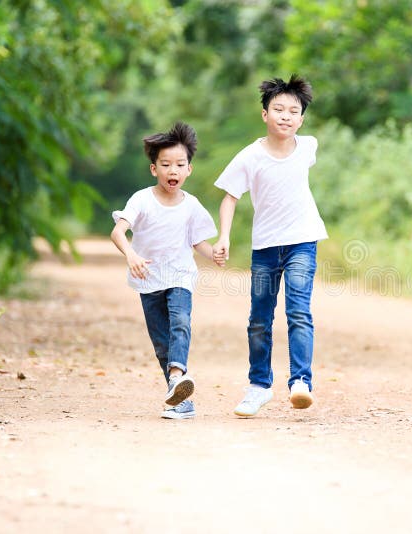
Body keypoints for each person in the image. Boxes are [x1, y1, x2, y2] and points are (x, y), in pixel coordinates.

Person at [212, 75, 327, 417]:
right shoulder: (250, 156)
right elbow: (229, 198)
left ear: (302, 119)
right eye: (278, 109)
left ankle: (300, 383)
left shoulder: (309, 146)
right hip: (265, 247)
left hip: (302, 242)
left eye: (294, 111)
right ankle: (258, 387)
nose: (286, 116)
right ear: (264, 114)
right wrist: (224, 236)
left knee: (298, 310)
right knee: (260, 318)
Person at [111, 122, 222, 420]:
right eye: (166, 164)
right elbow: (118, 232)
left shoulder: (192, 206)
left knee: (180, 321)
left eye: (180, 164)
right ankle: (179, 398)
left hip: (180, 276)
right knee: (162, 342)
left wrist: (214, 254)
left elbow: (198, 241)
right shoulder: (141, 199)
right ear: (153, 169)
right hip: (148, 279)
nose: (173, 170)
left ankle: (177, 375)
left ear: (189, 170)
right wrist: (131, 254)